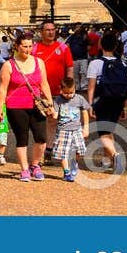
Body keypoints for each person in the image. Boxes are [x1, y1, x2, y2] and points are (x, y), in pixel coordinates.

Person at [0, 31, 52, 181]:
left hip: (36, 104)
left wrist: (50, 102)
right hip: (16, 105)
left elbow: (44, 83)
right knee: (22, 138)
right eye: (24, 46)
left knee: (41, 138)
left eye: (30, 46)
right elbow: (3, 88)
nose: (27, 50)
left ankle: (35, 165)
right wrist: (0, 107)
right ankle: (24, 169)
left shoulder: (39, 62)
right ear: (17, 46)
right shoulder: (8, 65)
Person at [86, 32, 127, 174]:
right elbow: (126, 87)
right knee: (109, 130)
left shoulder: (95, 63)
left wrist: (90, 105)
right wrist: (125, 106)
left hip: (103, 99)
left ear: (101, 45)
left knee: (103, 133)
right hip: (118, 100)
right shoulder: (122, 63)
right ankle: (108, 160)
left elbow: (91, 87)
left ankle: (115, 155)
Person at [35, 19, 74, 157]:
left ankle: (49, 149)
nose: (51, 32)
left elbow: (69, 67)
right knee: (39, 122)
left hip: (58, 92)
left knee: (53, 120)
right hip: (39, 93)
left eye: (53, 29)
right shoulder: (34, 49)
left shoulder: (63, 47)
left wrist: (69, 85)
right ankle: (41, 147)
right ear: (41, 32)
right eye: (47, 30)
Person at [54, 75, 90, 182]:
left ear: (75, 89)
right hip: (63, 129)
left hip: (77, 129)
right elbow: (55, 115)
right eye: (66, 93)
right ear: (61, 90)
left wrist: (86, 127)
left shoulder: (80, 99)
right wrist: (50, 111)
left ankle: (74, 162)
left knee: (81, 150)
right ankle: (66, 172)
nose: (69, 95)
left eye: (71, 92)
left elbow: (85, 112)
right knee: (63, 152)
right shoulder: (58, 100)